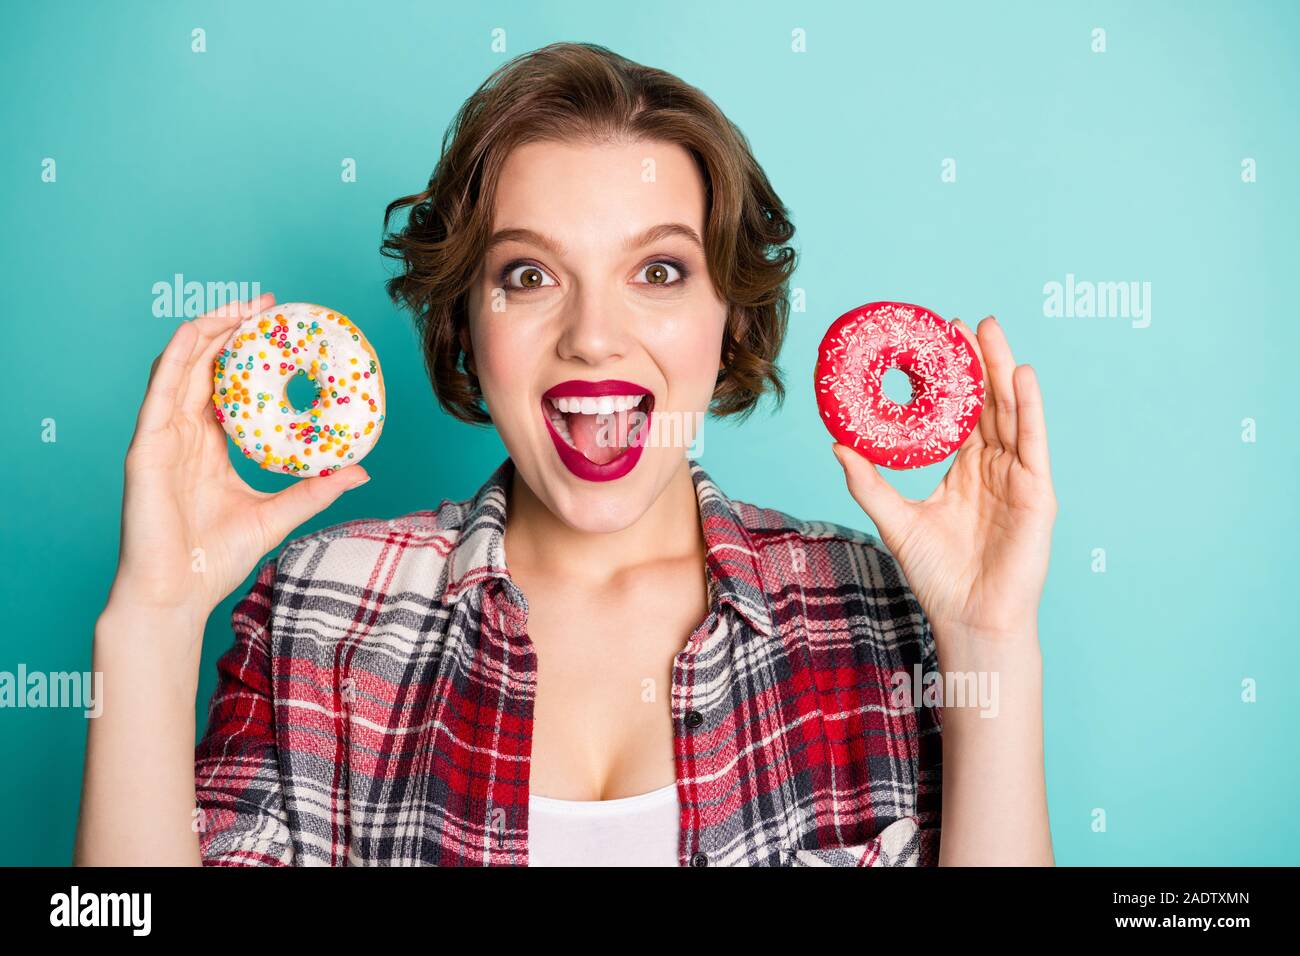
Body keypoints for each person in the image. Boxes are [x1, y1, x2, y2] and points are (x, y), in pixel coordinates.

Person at [74, 41, 1055, 867]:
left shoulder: (872, 609)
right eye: (529, 273)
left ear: (731, 314)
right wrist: (152, 622)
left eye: (659, 269)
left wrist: (986, 641)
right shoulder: (320, 605)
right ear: (465, 319)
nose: (593, 334)